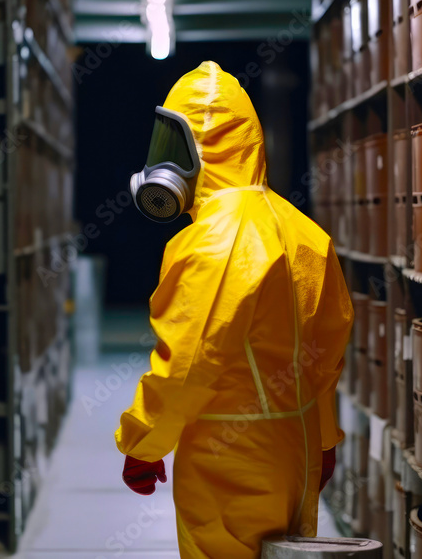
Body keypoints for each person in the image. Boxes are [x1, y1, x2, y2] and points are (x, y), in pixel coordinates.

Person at [115, 61, 354, 558]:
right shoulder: (303, 231)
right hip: (297, 446)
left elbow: (184, 366)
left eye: (173, 141)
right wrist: (324, 436)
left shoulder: (211, 242)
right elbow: (326, 356)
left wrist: (143, 442)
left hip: (230, 456)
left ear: (201, 147)